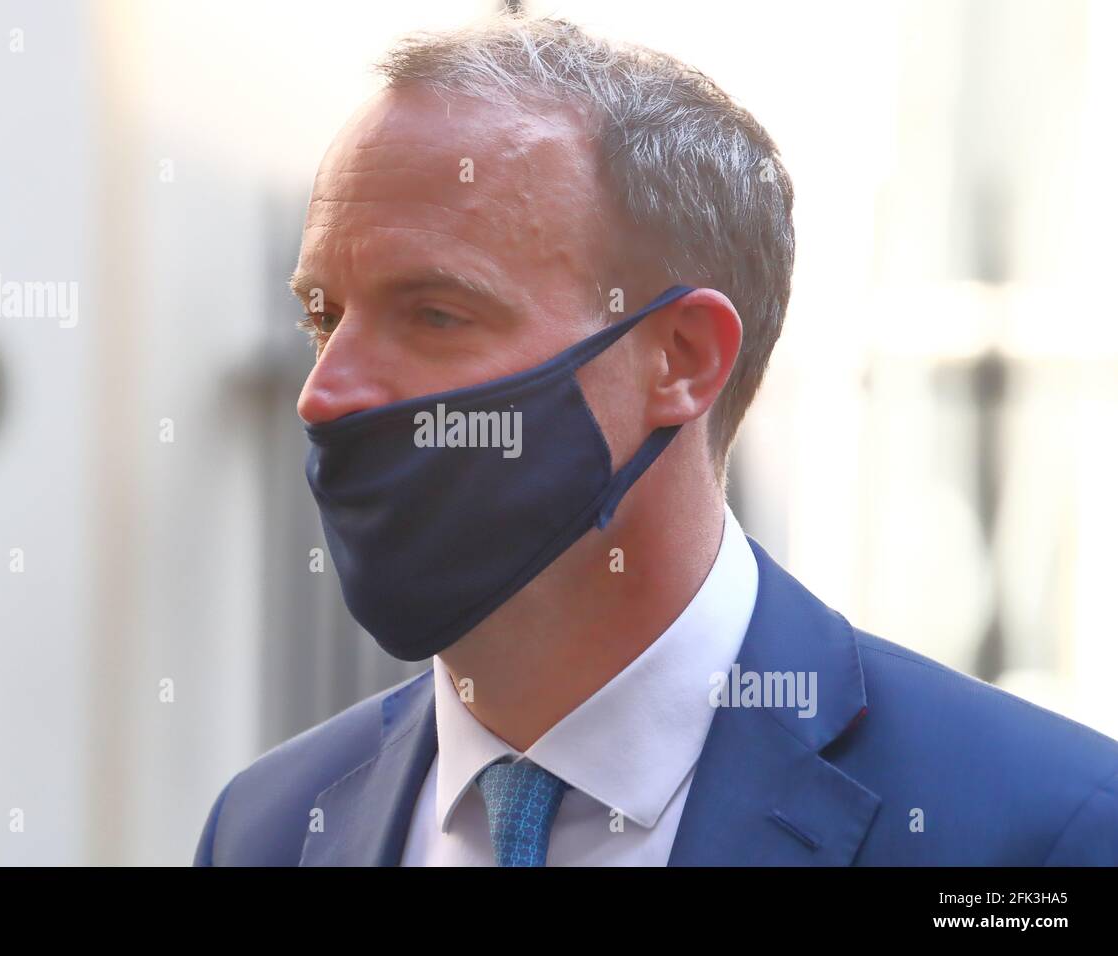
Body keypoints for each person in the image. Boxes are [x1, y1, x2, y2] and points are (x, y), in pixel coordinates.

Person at [195, 14, 1118, 866]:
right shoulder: (269, 827)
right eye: (325, 319)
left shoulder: (1043, 830)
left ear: (680, 359)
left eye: (436, 314)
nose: (325, 394)